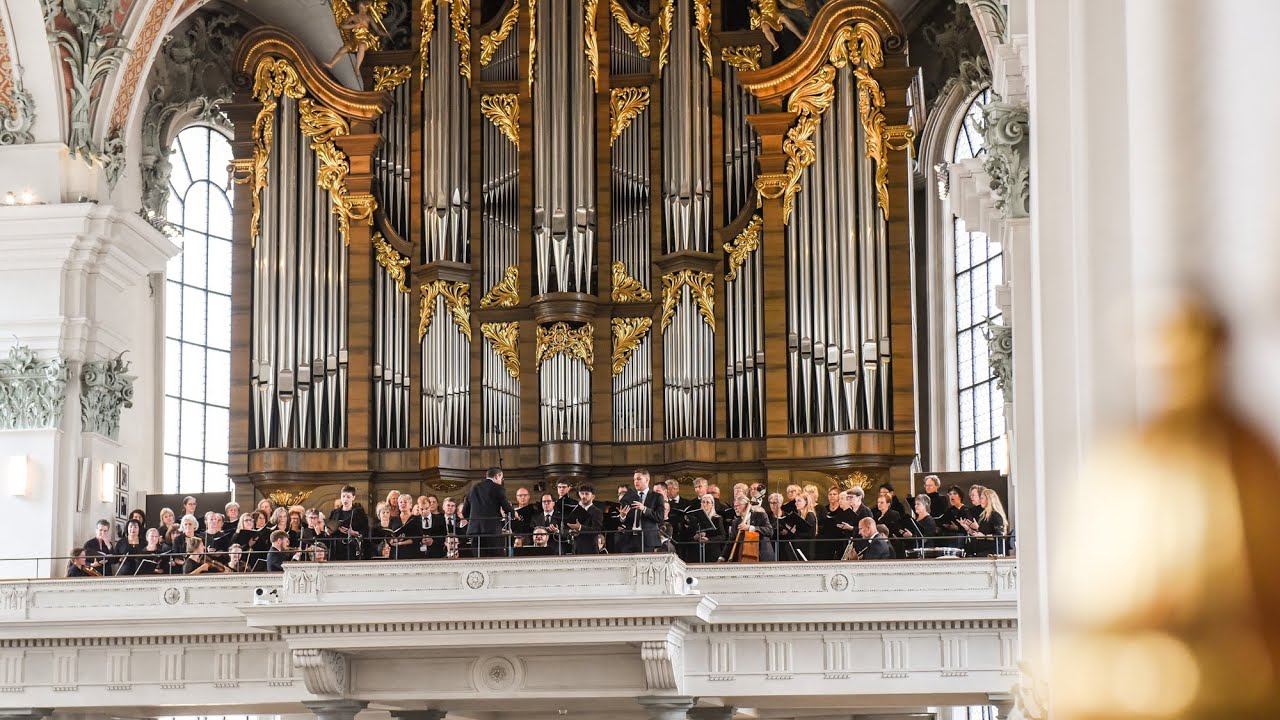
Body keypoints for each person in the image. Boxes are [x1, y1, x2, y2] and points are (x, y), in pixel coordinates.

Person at [323, 0, 389, 74]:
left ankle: (357, 67)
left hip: (364, 39)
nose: (363, 10)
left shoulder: (368, 18)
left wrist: (385, 34)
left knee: (361, 46)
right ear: (358, 8)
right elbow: (343, 26)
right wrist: (354, 25)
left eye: (364, 8)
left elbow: (377, 30)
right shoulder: (353, 17)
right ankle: (331, 64)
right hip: (354, 40)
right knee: (343, 49)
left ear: (367, 9)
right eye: (361, 8)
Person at [464, 467, 515, 557]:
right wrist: (514, 514)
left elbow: (465, 511)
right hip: (492, 532)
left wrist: (474, 520)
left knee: (478, 560)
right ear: (497, 476)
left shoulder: (473, 488)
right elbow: (506, 507)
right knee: (495, 560)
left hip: (475, 532)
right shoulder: (498, 488)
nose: (501, 481)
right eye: (501, 478)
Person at [719, 495, 775, 562]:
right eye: (734, 506)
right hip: (744, 557)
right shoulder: (735, 522)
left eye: (738, 505)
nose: (735, 508)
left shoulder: (760, 516)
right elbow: (731, 541)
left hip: (762, 556)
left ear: (746, 505)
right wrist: (722, 557)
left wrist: (749, 528)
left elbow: (770, 531)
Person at [961, 487, 1010, 556]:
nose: (980, 501)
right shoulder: (983, 516)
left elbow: (999, 535)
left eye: (982, 498)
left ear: (989, 500)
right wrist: (968, 529)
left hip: (992, 552)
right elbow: (979, 534)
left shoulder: (995, 515)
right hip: (982, 551)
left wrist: (984, 536)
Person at [630, 469, 667, 552]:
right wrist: (623, 516)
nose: (636, 482)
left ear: (647, 480)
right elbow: (626, 520)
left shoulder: (657, 497)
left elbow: (660, 517)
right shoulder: (631, 496)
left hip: (648, 539)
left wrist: (644, 509)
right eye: (634, 479)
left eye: (639, 479)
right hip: (630, 539)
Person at [330, 485, 368, 561]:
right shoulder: (335, 513)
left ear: (353, 497)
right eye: (343, 496)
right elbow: (330, 527)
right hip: (337, 547)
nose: (345, 499)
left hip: (353, 546)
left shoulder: (358, 512)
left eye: (348, 497)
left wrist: (355, 532)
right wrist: (329, 530)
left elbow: (365, 529)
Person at [778, 493, 817, 561]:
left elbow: (810, 534)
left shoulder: (810, 515)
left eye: (799, 501)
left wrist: (795, 532)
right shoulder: (800, 515)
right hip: (799, 548)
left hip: (806, 551)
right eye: (796, 501)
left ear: (806, 502)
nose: (796, 503)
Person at [568, 484, 604, 555]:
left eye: (587, 494)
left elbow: (597, 530)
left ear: (593, 497)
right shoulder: (575, 510)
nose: (583, 496)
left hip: (590, 549)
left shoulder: (597, 512)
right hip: (576, 548)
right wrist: (571, 531)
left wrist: (580, 527)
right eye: (582, 494)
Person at [689, 495, 725, 563]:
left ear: (712, 505)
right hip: (697, 553)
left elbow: (723, 536)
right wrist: (695, 537)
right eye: (703, 502)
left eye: (707, 502)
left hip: (712, 551)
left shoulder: (717, 518)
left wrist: (709, 539)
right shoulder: (695, 518)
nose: (705, 504)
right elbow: (689, 536)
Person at [816, 486, 849, 560]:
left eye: (834, 494)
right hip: (826, 540)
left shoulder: (842, 509)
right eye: (830, 494)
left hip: (839, 539)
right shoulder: (824, 509)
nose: (832, 496)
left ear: (838, 496)